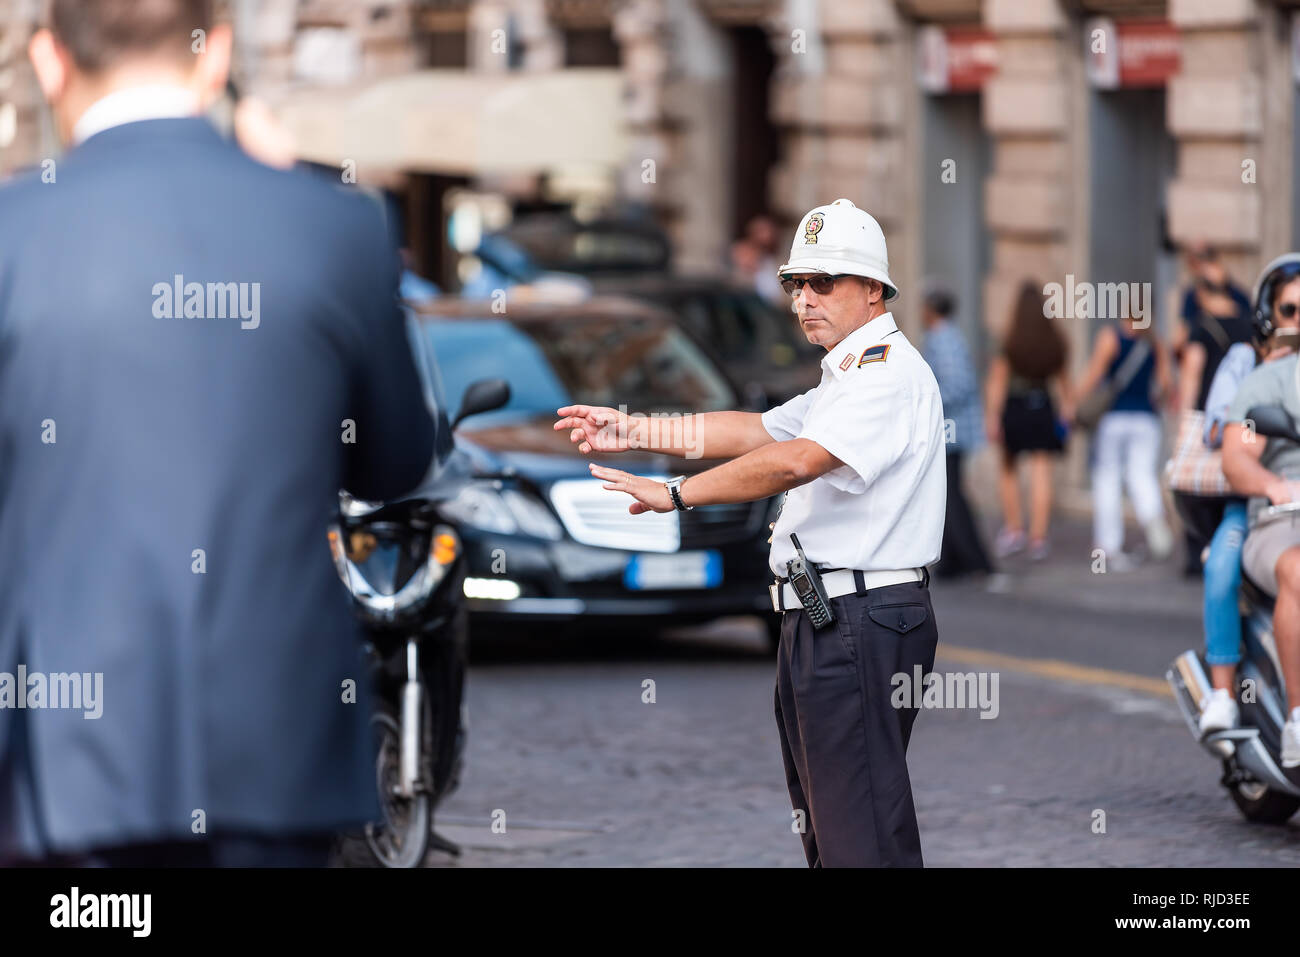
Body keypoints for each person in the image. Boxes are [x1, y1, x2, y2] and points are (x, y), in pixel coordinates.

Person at [0, 0, 436, 866]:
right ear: (216, 55)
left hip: (64, 754)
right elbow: (397, 462)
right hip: (275, 746)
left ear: (49, 61)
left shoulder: (15, 230)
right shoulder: (337, 224)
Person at [555, 198, 945, 867]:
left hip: (858, 615)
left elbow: (795, 460)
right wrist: (635, 429)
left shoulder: (883, 374)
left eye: (825, 282)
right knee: (835, 834)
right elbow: (756, 429)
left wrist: (676, 493)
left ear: (873, 290)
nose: (804, 298)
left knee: (862, 841)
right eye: (797, 283)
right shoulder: (846, 375)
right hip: (827, 616)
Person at [1197, 261, 1300, 732]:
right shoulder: (1251, 366)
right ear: (1268, 313)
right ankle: (1223, 693)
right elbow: (1229, 442)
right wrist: (1273, 482)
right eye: (1290, 309)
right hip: (1263, 505)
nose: (1298, 320)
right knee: (1223, 564)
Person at [1174, 241, 1254, 574]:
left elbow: (1191, 372)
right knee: (1235, 482)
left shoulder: (1202, 326)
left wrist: (1184, 418)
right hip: (1246, 414)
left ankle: (1200, 553)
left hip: (1209, 415)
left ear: (1203, 294)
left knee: (1196, 482)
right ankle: (1234, 547)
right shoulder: (1250, 322)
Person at [1073, 314, 1174, 570]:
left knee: (1108, 477)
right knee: (1142, 475)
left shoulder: (1111, 337)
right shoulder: (1154, 341)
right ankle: (1153, 521)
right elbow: (1165, 385)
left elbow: (1094, 375)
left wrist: (1073, 402)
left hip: (1114, 418)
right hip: (1146, 419)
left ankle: (1109, 544)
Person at [984, 281, 1072, 561]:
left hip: (1015, 406)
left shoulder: (1010, 338)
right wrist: (1068, 409)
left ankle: (1014, 528)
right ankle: (1038, 536)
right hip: (1043, 405)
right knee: (1041, 470)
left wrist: (993, 415)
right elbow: (1064, 381)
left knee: (1008, 468)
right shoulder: (1054, 339)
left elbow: (997, 380)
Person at [922, 287, 994, 578]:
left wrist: (925, 401)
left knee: (952, 496)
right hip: (950, 430)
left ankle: (974, 560)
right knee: (948, 494)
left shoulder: (943, 338)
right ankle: (953, 560)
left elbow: (957, 384)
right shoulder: (944, 336)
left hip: (951, 431)